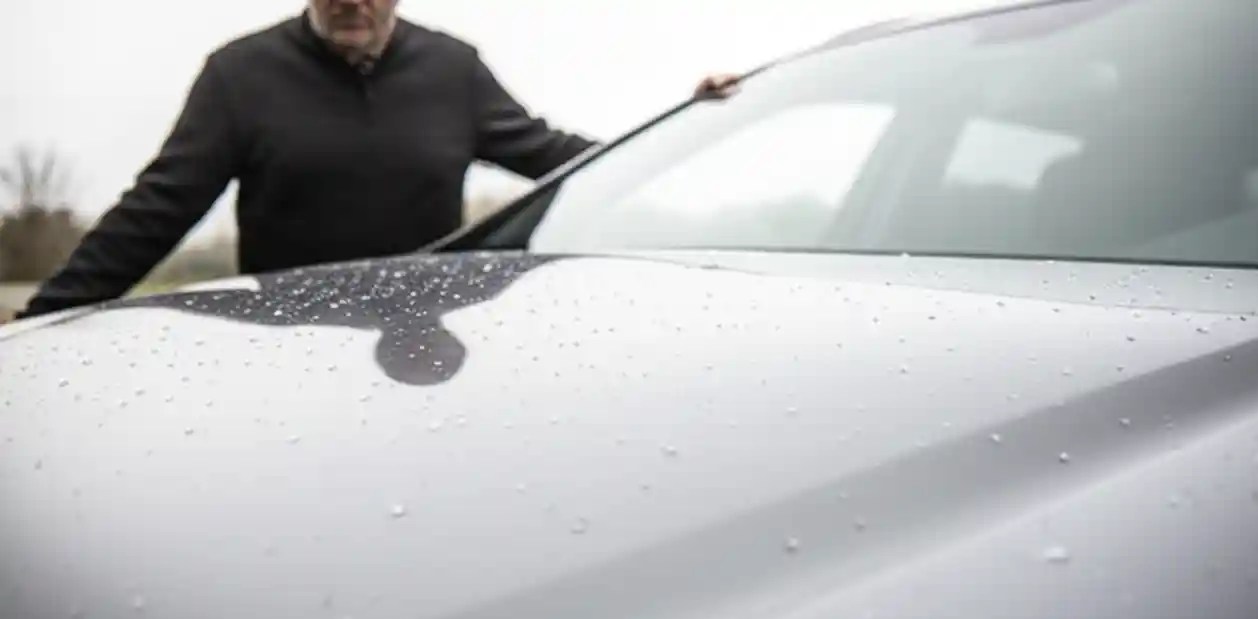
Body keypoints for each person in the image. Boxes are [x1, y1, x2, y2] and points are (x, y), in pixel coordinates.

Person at [15, 0, 739, 320]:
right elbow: (157, 208)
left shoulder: (453, 69)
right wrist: (40, 317)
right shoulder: (240, 75)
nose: (351, 0)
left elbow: (555, 158)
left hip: (428, 351)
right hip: (286, 355)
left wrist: (682, 126)